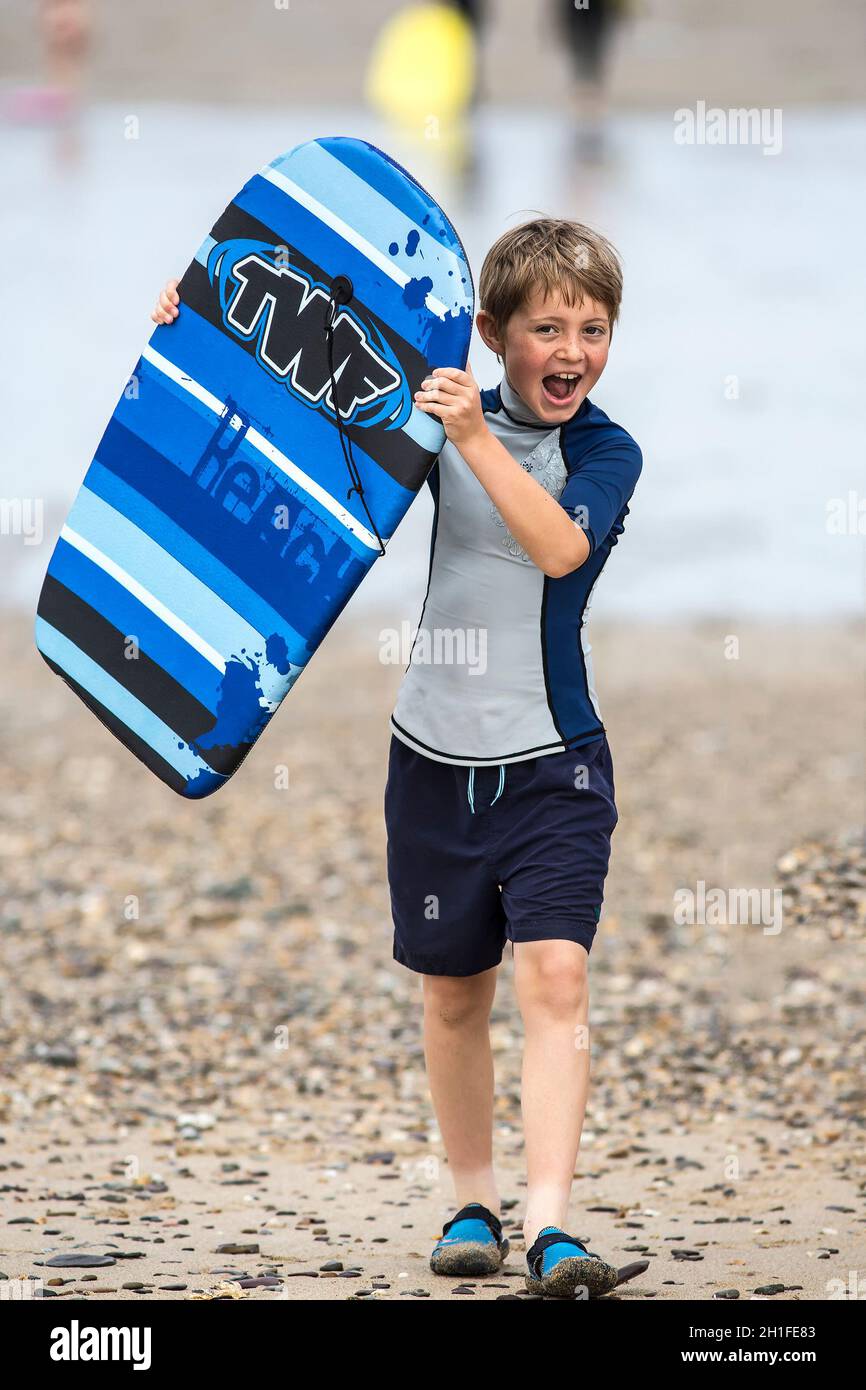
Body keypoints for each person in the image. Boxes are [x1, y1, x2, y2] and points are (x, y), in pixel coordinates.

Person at [150, 216, 643, 1298]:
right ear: (490, 331)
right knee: (454, 992)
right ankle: (472, 1203)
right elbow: (290, 426)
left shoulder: (603, 452)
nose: (571, 351)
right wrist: (199, 342)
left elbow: (558, 545)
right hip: (429, 760)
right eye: (547, 328)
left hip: (554, 763)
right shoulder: (429, 419)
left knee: (554, 977)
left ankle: (552, 1226)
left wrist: (469, 438)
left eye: (592, 329)